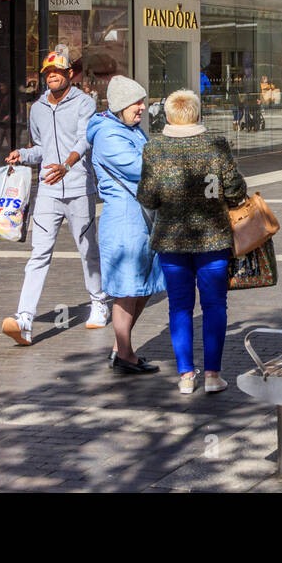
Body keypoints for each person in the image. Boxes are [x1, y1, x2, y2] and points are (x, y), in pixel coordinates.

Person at [137, 89, 247, 395]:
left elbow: (146, 196)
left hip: (171, 241)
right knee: (214, 305)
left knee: (180, 307)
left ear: (168, 116)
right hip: (213, 239)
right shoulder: (215, 143)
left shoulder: (155, 147)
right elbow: (235, 189)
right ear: (197, 114)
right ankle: (212, 375)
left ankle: (186, 375)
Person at [2, 45, 108, 346]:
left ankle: (99, 301)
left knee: (87, 249)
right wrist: (22, 154)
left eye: (58, 73)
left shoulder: (84, 103)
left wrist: (67, 165)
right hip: (48, 190)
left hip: (78, 188)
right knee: (39, 253)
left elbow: (84, 140)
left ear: (69, 74)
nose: (52, 77)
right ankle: (24, 319)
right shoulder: (36, 108)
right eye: (48, 73)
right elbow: (41, 148)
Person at [87, 76, 165, 375]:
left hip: (143, 217)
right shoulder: (109, 135)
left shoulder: (130, 130)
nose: (142, 108)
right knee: (126, 290)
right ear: (120, 105)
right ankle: (125, 353)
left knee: (143, 286)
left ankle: (122, 349)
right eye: (137, 103)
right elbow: (141, 168)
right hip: (125, 220)